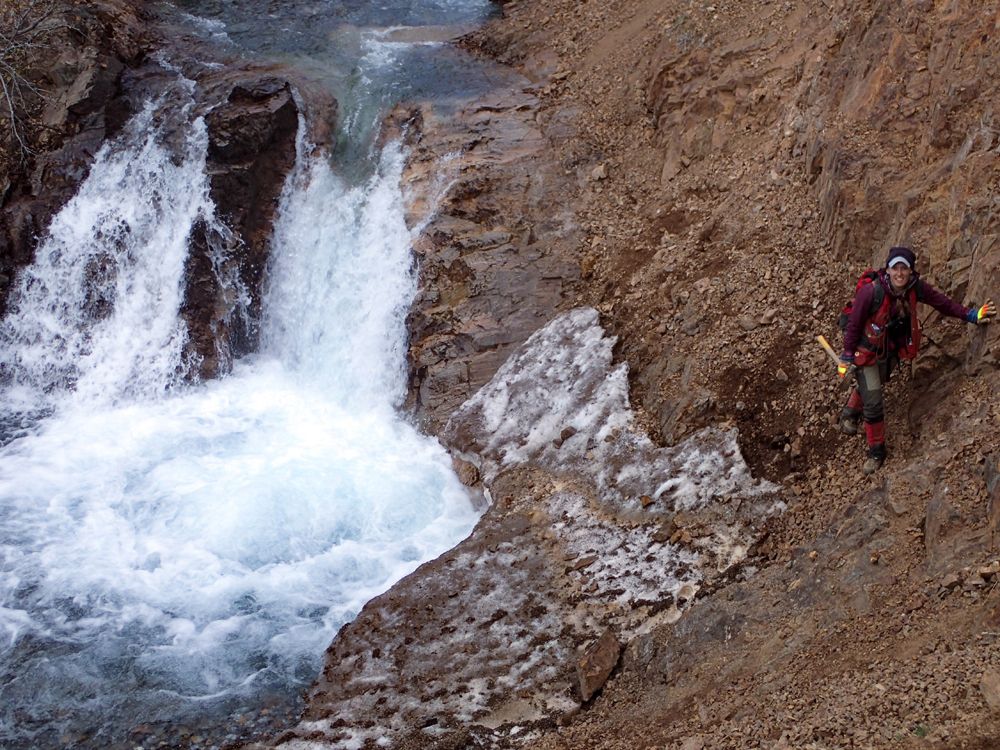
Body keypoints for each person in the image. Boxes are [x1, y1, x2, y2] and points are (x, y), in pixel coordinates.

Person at [838, 246, 995, 475]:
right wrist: (846, 355)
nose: (900, 273)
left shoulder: (915, 288)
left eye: (905, 268)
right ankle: (876, 452)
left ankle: (849, 412)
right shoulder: (871, 293)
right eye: (896, 268)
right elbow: (853, 325)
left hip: (889, 350)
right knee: (873, 402)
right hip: (867, 352)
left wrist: (971, 315)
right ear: (888, 270)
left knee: (875, 382)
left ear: (911, 271)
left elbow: (943, 304)